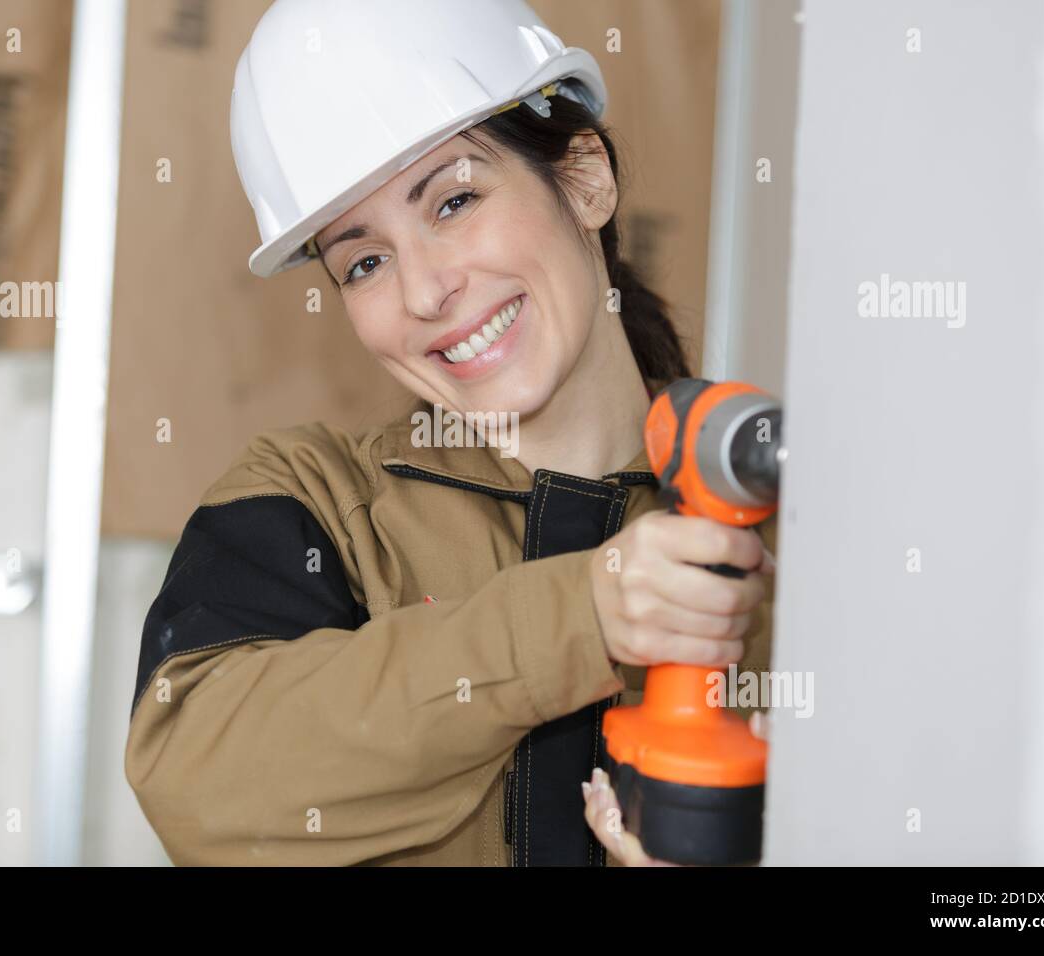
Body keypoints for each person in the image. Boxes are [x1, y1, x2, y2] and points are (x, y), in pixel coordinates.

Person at [125, 0, 775, 867]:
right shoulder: (316, 504)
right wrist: (583, 616)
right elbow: (196, 780)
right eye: (364, 261)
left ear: (583, 179)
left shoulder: (757, 506)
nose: (425, 292)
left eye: (454, 200)